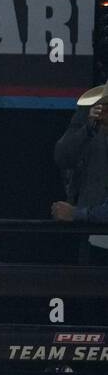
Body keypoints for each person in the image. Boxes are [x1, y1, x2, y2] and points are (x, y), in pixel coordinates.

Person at [52, 83, 108, 265]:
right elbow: (62, 156)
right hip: (93, 234)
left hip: (90, 216)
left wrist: (78, 214)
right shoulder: (89, 113)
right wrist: (88, 129)